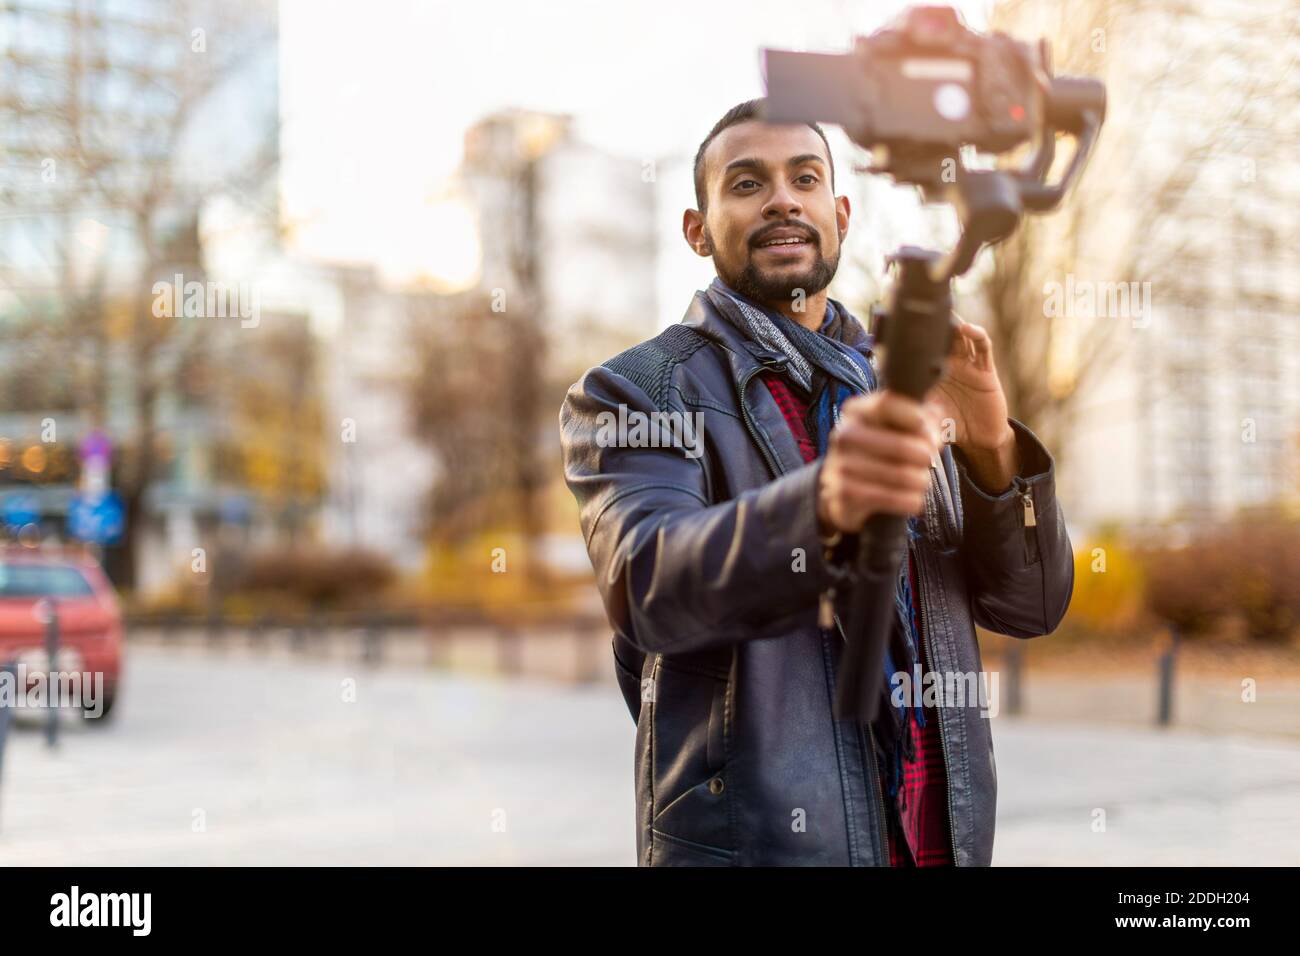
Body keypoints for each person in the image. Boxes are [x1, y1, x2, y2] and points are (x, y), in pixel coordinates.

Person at [558, 98, 1074, 866]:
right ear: (697, 231)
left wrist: (991, 444)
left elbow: (1030, 607)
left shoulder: (902, 379)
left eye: (804, 178)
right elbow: (650, 586)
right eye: (746, 184)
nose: (781, 199)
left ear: (839, 214)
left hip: (940, 844)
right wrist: (825, 504)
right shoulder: (639, 391)